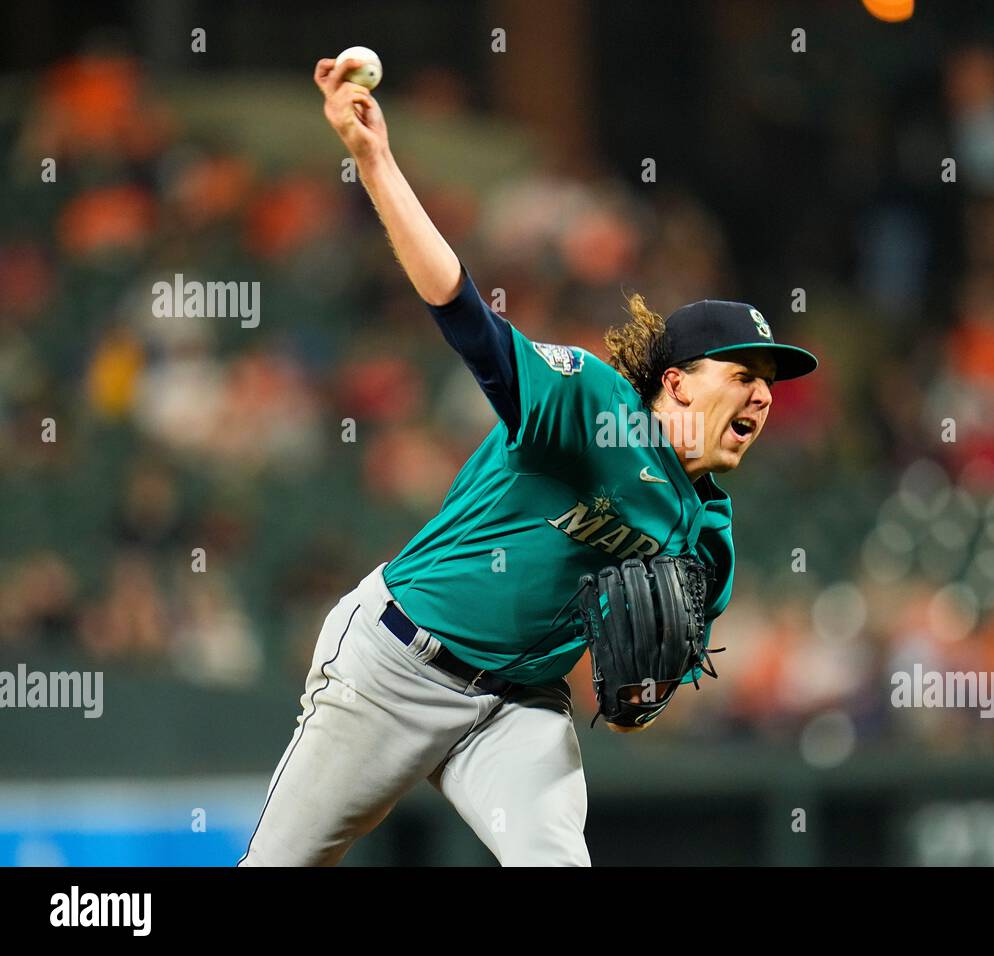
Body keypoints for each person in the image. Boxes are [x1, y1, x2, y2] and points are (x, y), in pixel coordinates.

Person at [238, 55, 818, 867]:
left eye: (771, 385)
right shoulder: (592, 405)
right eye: (744, 377)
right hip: (397, 664)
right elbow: (462, 312)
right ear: (679, 383)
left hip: (520, 708)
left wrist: (636, 705)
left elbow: (639, 703)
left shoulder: (707, 534)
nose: (762, 397)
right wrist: (375, 162)